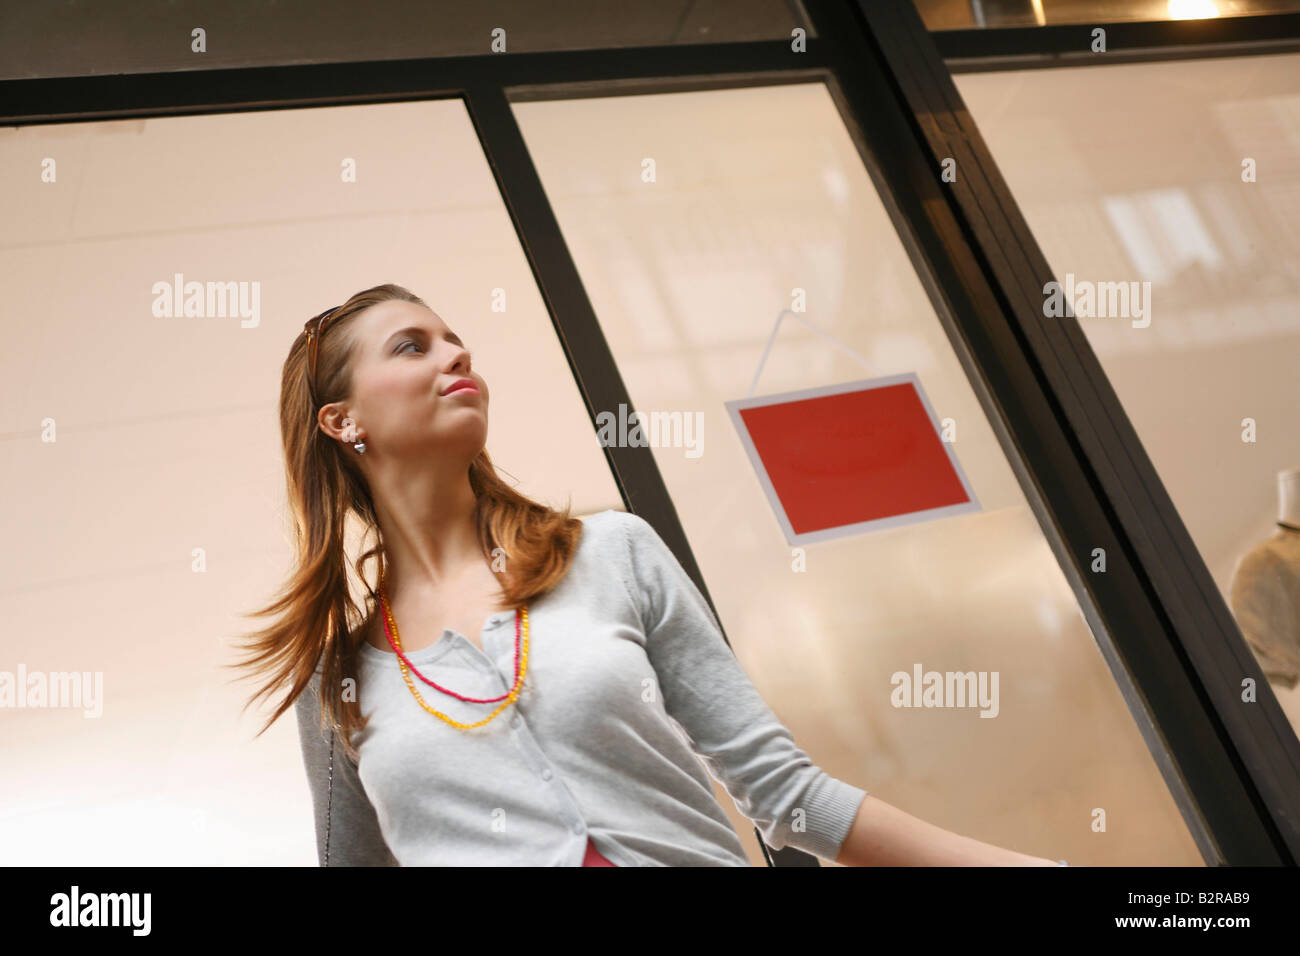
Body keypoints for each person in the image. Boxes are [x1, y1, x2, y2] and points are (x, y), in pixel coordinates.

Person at [233, 282, 1067, 867]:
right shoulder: (339, 676)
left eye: (459, 341)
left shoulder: (610, 553)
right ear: (341, 420)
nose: (456, 355)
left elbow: (784, 793)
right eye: (414, 346)